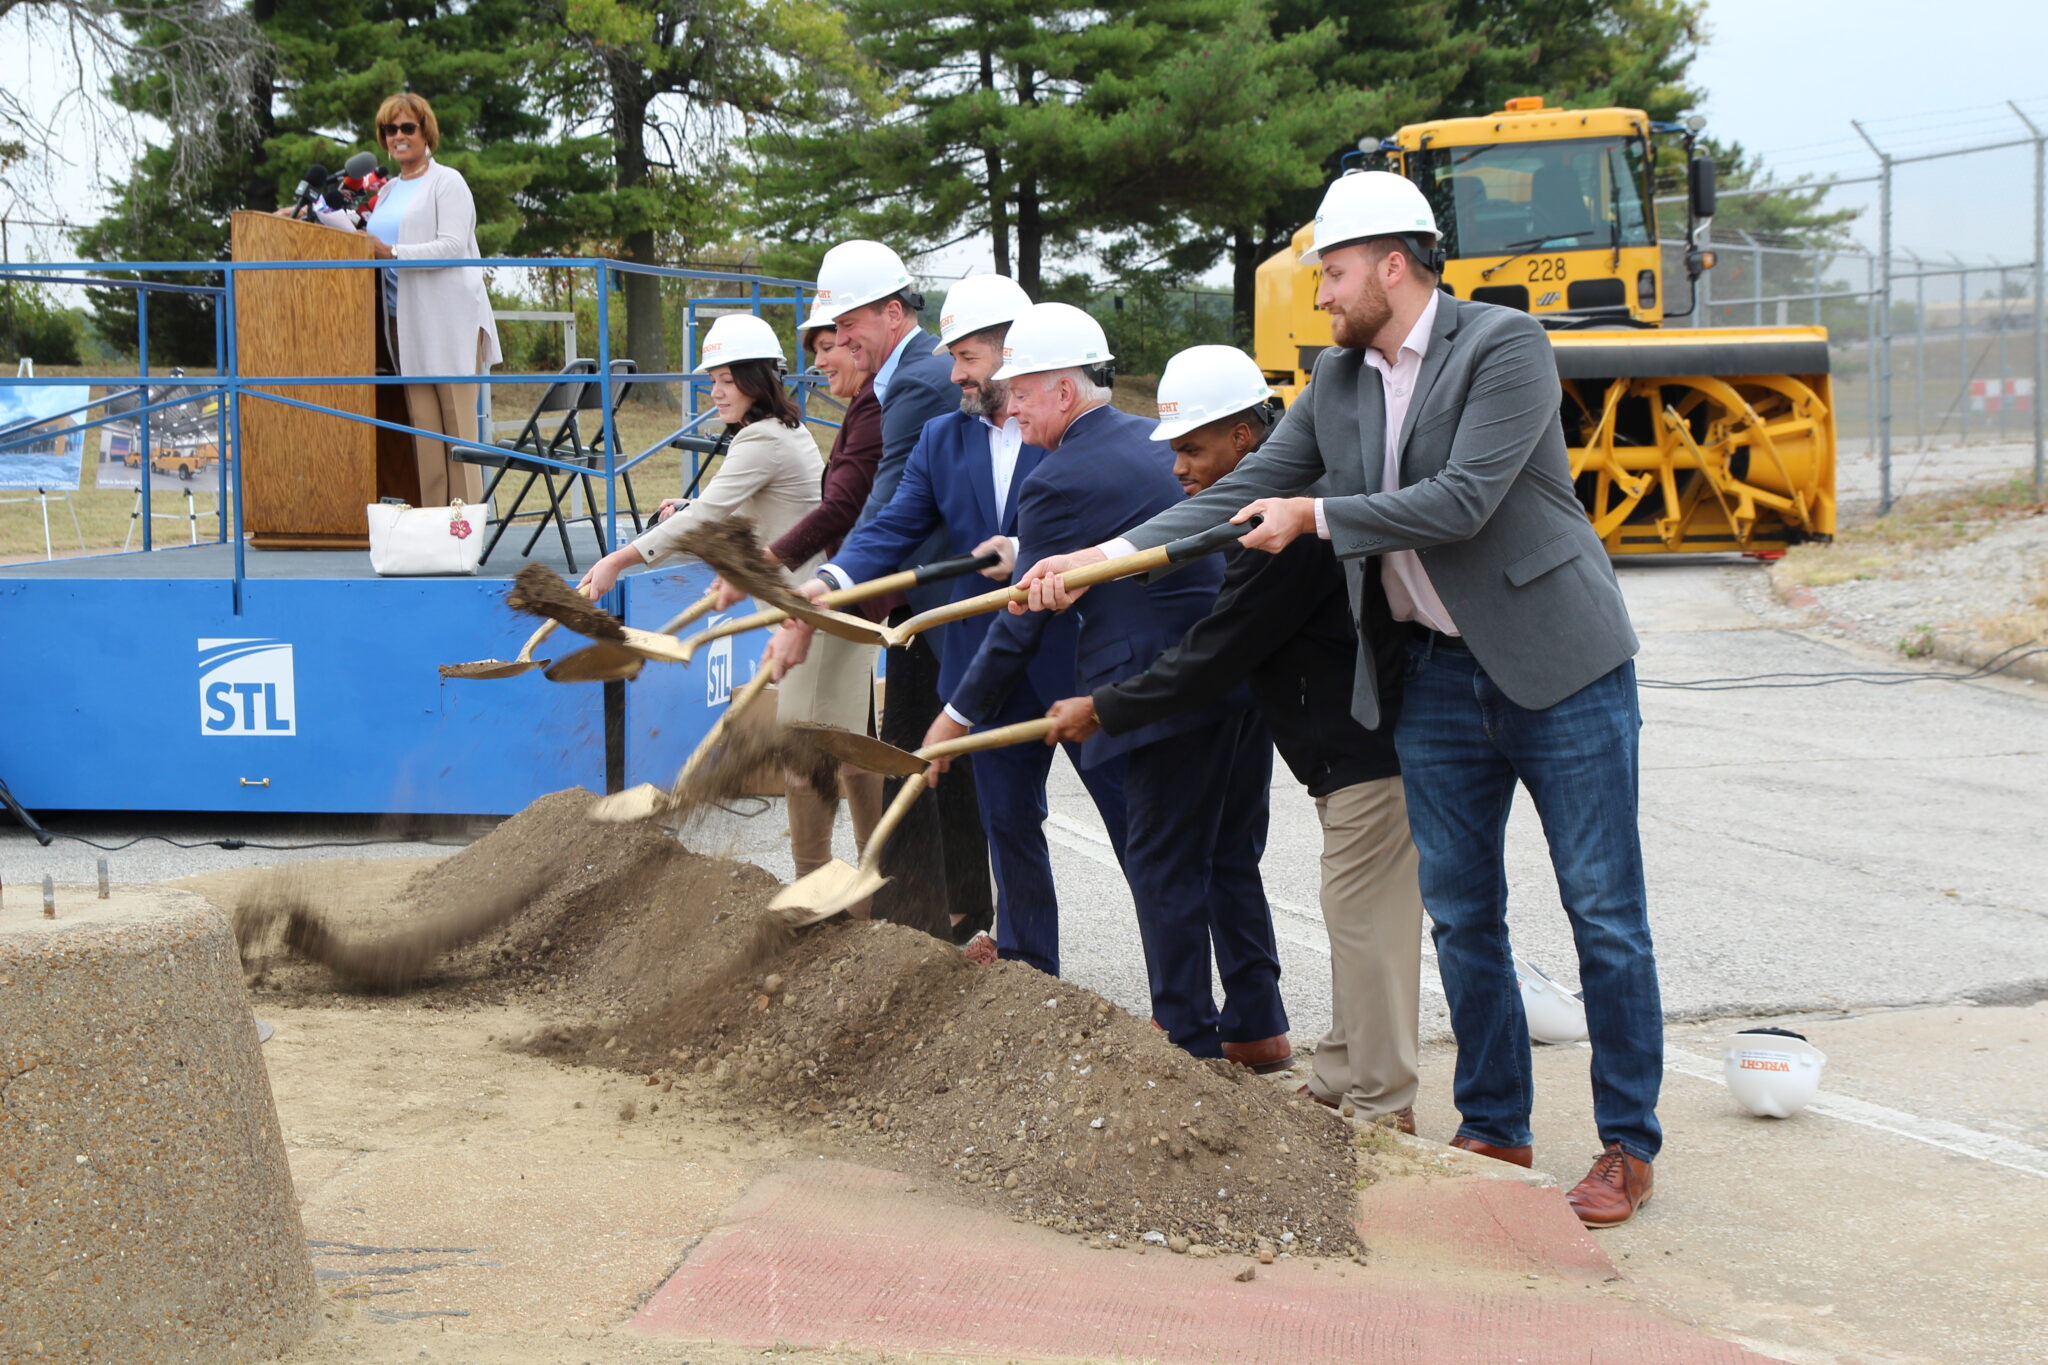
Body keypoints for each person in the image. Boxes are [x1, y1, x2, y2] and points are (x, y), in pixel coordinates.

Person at [1020, 171, 1661, 1227]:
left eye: (1331, 271)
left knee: (1602, 912)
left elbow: (1457, 501)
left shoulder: (1502, 346)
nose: (1319, 294)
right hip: (1440, 675)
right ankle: (1493, 1124)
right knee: (1462, 916)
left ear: (1391, 265)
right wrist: (1097, 559)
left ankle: (1625, 1146)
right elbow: (1236, 491)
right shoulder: (1337, 379)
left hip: (1560, 663)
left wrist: (1314, 517)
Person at [1044, 344, 1422, 1115]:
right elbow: (1186, 553)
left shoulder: (1283, 524)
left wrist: (1103, 707)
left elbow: (1217, 649)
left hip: (1362, 749)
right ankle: (1338, 1077)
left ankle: (1383, 1103)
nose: (1178, 467)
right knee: (1346, 916)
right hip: (1339, 749)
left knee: (1366, 928)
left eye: (1191, 447)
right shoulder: (1274, 501)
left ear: (1244, 439)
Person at [924, 303, 1286, 1064]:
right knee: (1227, 853)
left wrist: (956, 716)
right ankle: (1257, 1021)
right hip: (1231, 671)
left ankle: (1184, 1037)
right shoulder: (1141, 443)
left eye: (1019, 391)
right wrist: (1022, 545)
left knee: (1161, 862)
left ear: (1062, 390)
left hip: (1152, 684)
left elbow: (1020, 621)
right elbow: (1126, 518)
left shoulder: (1053, 478)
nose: (1007, 404)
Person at [776, 275, 1128, 971]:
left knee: (1134, 825)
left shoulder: (1073, 431)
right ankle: (1030, 969)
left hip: (1078, 661)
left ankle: (1182, 1005)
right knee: (1008, 824)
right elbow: (890, 527)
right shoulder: (943, 438)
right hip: (985, 667)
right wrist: (827, 587)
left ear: (1013, 353)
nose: (955, 373)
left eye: (967, 358)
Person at [800, 241, 990, 940]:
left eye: (848, 324)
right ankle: (964, 911)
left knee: (910, 757)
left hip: (943, 595)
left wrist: (831, 590)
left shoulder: (916, 381)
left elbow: (888, 507)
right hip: (924, 599)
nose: (836, 341)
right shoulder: (895, 383)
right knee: (937, 755)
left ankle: (912, 924)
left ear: (890, 311)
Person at [753, 319, 887, 905]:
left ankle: (820, 886)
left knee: (813, 742)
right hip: (845, 588)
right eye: (819, 352)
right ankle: (874, 886)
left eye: (834, 347)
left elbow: (841, 510)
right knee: (860, 744)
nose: (825, 361)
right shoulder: (849, 415)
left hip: (834, 592)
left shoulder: (872, 412)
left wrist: (771, 560)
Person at [356, 93, 502, 508]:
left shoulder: (447, 181)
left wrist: (394, 252)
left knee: (457, 434)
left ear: (426, 132)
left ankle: (466, 530)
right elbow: (369, 242)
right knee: (425, 432)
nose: (398, 136)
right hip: (404, 324)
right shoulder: (385, 192)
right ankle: (438, 529)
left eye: (407, 128)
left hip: (448, 322)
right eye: (389, 129)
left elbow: (453, 245)